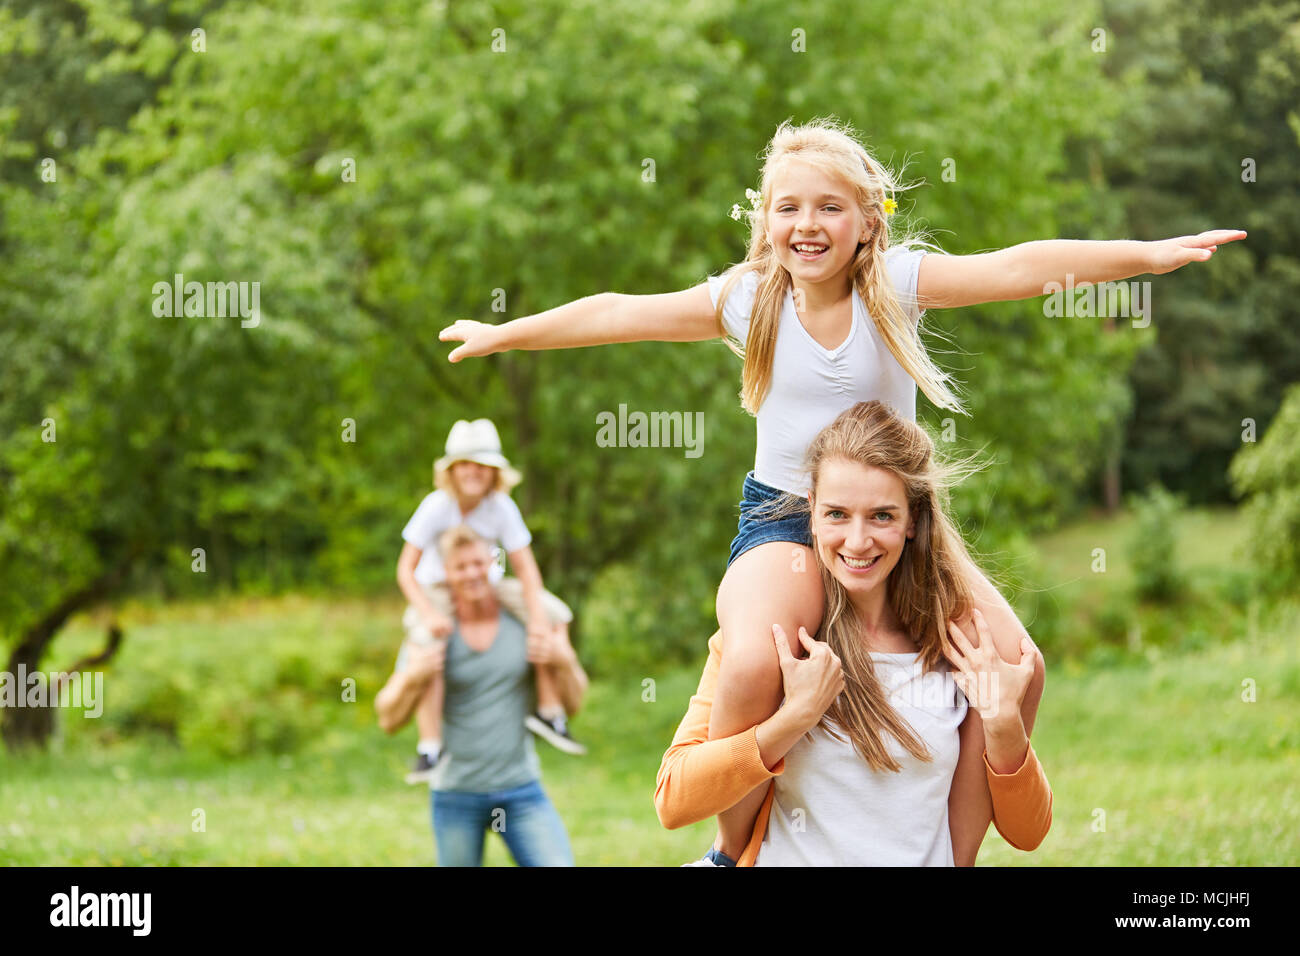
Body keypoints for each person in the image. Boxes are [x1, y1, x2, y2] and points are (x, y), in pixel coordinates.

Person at [438, 116, 1244, 855]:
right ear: (766, 223)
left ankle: (954, 854)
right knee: (754, 660)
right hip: (786, 517)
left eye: (829, 208)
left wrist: (1145, 256)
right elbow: (619, 313)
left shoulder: (894, 286)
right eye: (788, 209)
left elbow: (1020, 267)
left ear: (867, 221)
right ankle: (734, 850)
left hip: (897, 513)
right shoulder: (748, 300)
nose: (807, 226)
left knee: (1015, 660)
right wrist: (504, 333)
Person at [656, 401, 1052, 865]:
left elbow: (1028, 832)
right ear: (811, 511)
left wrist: (1004, 724)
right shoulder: (780, 638)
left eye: (882, 516)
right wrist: (793, 718)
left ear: (912, 520)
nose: (857, 541)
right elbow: (674, 798)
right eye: (837, 514)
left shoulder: (956, 652)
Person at [376, 524, 588, 866]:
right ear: (446, 573)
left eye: (478, 563)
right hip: (454, 795)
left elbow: (575, 704)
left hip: (521, 791)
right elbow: (387, 718)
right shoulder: (431, 631)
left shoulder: (523, 621)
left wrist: (565, 660)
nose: (472, 573)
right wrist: (412, 677)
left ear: (492, 563)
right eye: (460, 567)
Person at [397, 417, 584, 785]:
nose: (473, 473)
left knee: (553, 615)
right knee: (426, 646)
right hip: (438, 588)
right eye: (465, 464)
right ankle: (430, 745)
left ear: (495, 472)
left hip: (488, 584)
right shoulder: (436, 506)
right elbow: (405, 570)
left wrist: (534, 619)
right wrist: (428, 612)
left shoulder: (501, 507)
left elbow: (527, 571)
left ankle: (549, 711)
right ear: (451, 471)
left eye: (482, 466)